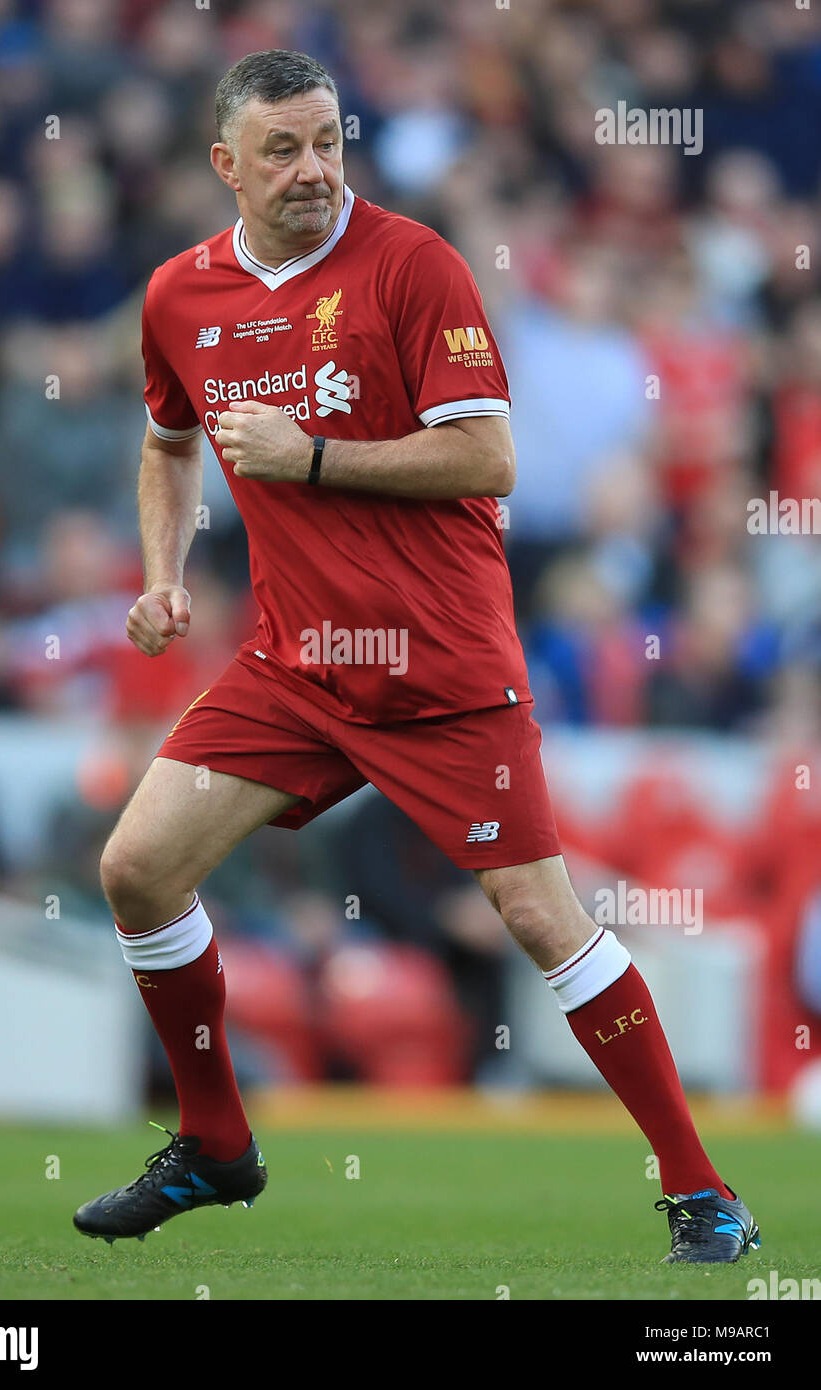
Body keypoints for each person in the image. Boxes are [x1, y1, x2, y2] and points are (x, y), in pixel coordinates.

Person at [73, 50, 759, 1265]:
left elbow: (490, 458)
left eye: (329, 140)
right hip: (297, 664)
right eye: (281, 149)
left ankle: (702, 1189)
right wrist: (164, 574)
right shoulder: (179, 295)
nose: (312, 169)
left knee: (538, 914)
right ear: (224, 164)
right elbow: (169, 440)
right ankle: (218, 1143)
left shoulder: (410, 263)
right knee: (135, 868)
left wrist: (313, 457)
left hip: (440, 665)